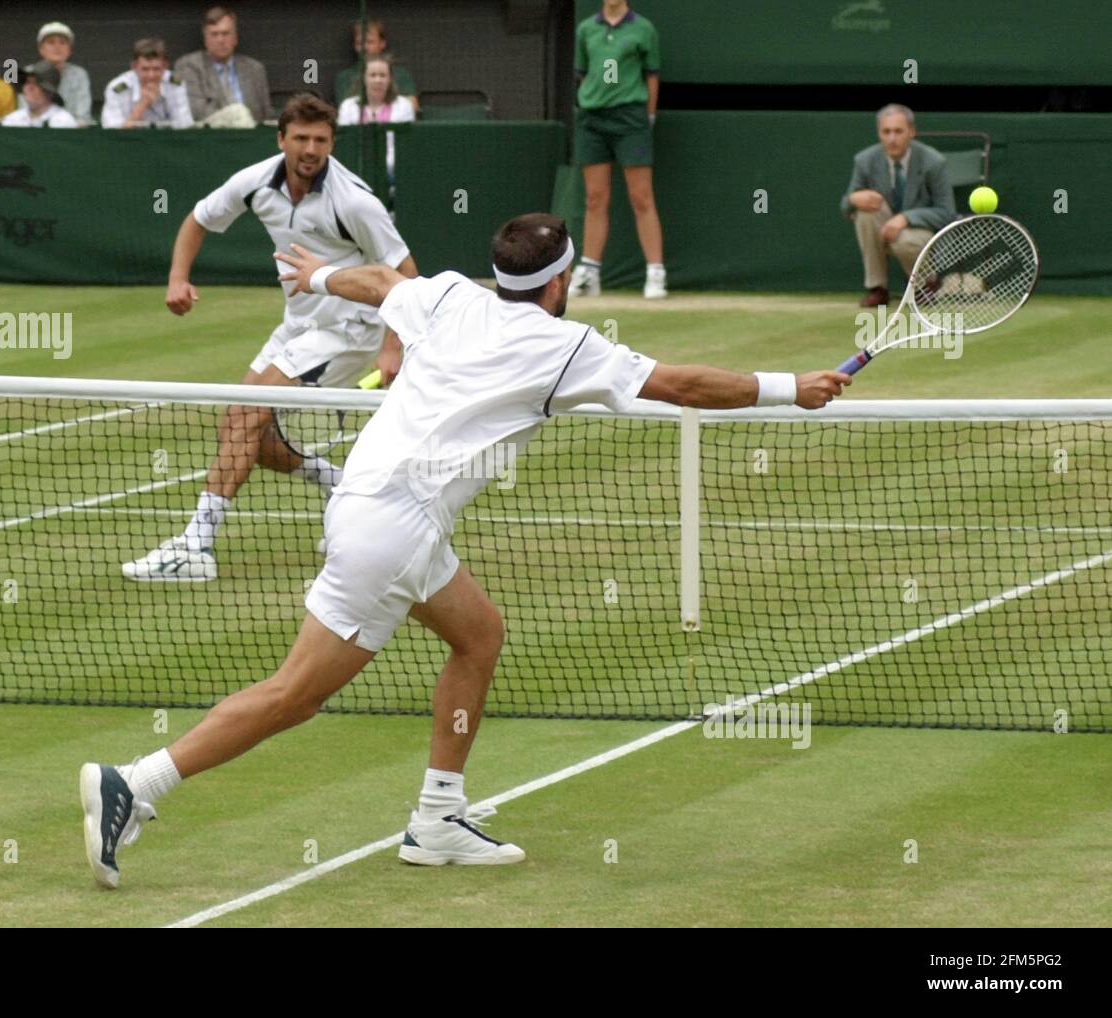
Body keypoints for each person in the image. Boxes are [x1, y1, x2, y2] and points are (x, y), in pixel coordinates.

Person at [81, 212, 851, 887]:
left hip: (371, 498)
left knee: (478, 633)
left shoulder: (448, 293)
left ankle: (439, 819)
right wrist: (791, 387)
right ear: (559, 285)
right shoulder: (567, 346)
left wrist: (319, 275)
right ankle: (138, 782)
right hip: (394, 528)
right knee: (295, 695)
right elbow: (681, 384)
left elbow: (381, 282)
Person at [120, 94, 417, 584]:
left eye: (321, 140)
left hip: (349, 330)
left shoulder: (355, 201)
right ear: (282, 139)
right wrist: (178, 278)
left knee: (247, 414)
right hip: (299, 323)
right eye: (301, 138)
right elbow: (197, 219)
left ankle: (196, 544)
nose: (310, 148)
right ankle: (342, 487)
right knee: (249, 433)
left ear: (331, 144)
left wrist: (392, 346)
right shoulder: (257, 181)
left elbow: (404, 276)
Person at [567, 0, 666, 300]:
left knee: (641, 197)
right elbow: (584, 74)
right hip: (592, 120)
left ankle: (655, 272)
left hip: (630, 118)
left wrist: (647, 117)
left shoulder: (643, 29)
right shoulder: (586, 29)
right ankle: (590, 273)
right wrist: (593, 100)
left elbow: (652, 76)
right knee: (595, 198)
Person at [841, 104, 956, 307]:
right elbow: (845, 206)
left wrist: (906, 219)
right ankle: (877, 289)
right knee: (865, 213)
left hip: (918, 233)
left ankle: (924, 286)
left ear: (911, 132)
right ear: (879, 133)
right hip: (881, 231)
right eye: (886, 132)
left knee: (903, 240)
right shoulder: (864, 160)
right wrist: (853, 199)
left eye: (898, 131)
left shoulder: (934, 162)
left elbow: (946, 213)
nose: (892, 138)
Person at [174, 6, 271, 126]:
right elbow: (197, 112)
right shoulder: (188, 66)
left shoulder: (255, 69)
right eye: (214, 34)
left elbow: (266, 115)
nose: (220, 40)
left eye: (225, 34)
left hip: (253, 138)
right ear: (205, 39)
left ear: (235, 38)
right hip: (210, 139)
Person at [336, 55, 415, 187]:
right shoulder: (348, 106)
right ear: (364, 79)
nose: (378, 80)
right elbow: (346, 144)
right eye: (372, 75)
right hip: (354, 171)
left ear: (390, 79)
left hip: (392, 173)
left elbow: (403, 148)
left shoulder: (404, 105)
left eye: (383, 75)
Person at [101, 38, 193, 129]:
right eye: (145, 69)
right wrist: (143, 103)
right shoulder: (117, 88)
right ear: (134, 67)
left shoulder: (175, 84)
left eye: (156, 69)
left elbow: (184, 125)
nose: (151, 75)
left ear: (165, 66)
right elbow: (112, 131)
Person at [334, 17, 417, 112]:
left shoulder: (401, 74)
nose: (364, 47)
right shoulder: (344, 77)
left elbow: (412, 107)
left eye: (369, 42)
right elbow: (345, 111)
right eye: (359, 43)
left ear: (382, 43)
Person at [33, 21, 92, 126]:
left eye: (63, 42)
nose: (57, 47)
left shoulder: (79, 74)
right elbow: (25, 115)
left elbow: (83, 117)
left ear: (70, 50)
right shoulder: (28, 74)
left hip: (72, 133)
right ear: (41, 49)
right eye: (51, 42)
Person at [2, 61, 79, 128]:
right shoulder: (13, 119)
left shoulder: (63, 121)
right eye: (27, 82)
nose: (29, 88)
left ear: (50, 92)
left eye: (36, 84)